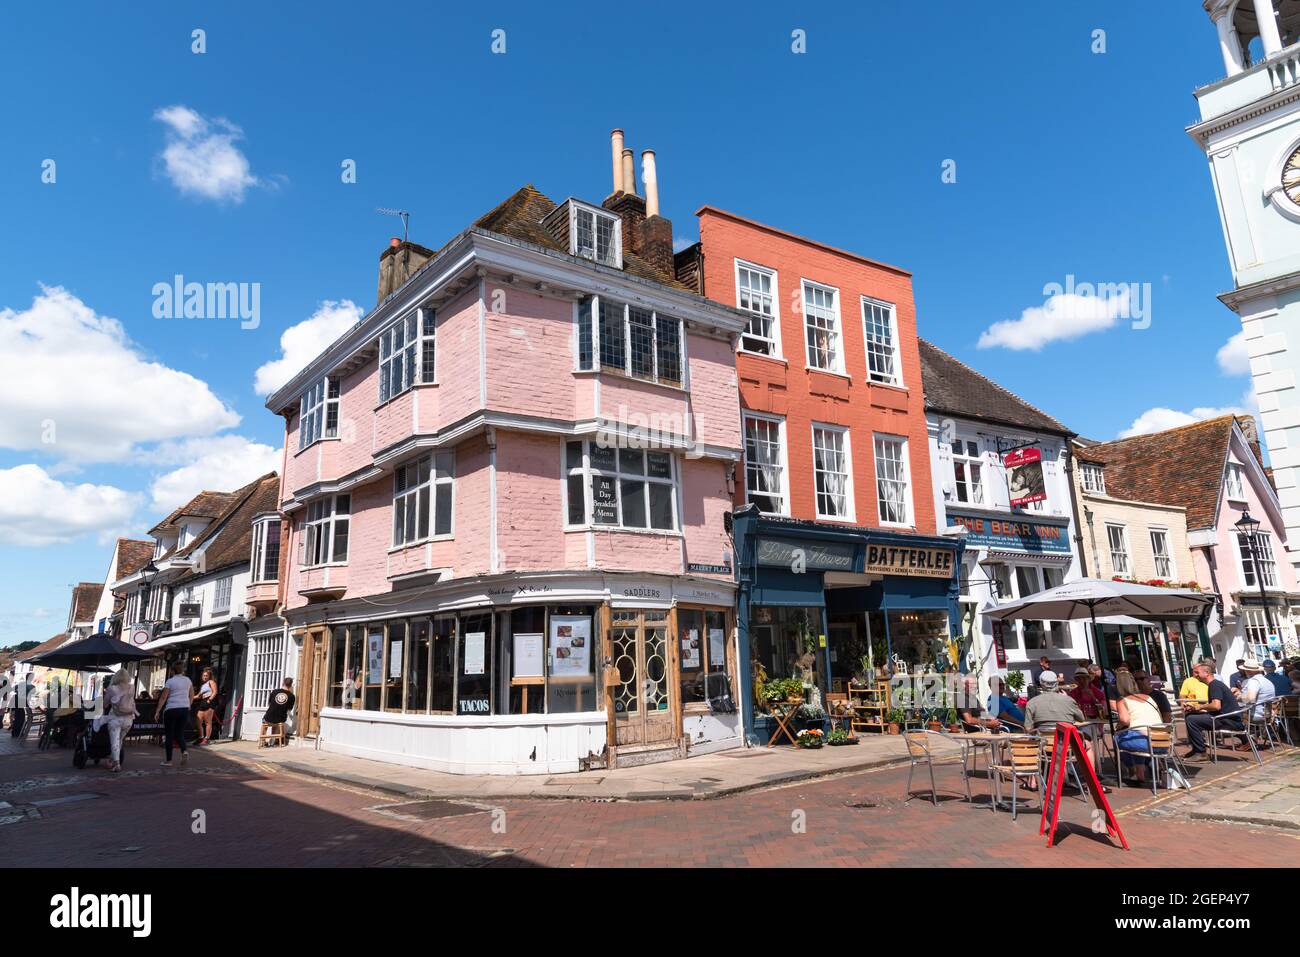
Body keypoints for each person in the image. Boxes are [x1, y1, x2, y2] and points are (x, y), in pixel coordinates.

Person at [1023, 670, 1098, 769]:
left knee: (1030, 744)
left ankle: (1033, 781)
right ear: (1056, 682)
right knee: (1088, 746)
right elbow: (1081, 718)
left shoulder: (1032, 703)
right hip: (1068, 746)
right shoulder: (1068, 700)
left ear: (1041, 683)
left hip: (1044, 747)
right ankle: (1090, 781)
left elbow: (1027, 728)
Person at [1182, 662, 1244, 761]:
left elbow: (1216, 706)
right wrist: (1195, 708)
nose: (1195, 675)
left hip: (1228, 721)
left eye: (1198, 673)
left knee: (1191, 719)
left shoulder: (1214, 685)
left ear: (1206, 673)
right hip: (1225, 717)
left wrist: (1200, 707)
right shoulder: (1214, 684)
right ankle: (1196, 749)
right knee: (1191, 715)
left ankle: (1201, 752)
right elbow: (1214, 706)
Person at [1114, 670, 1166, 785]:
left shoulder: (1122, 700)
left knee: (1118, 738)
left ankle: (1134, 772)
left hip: (1146, 744)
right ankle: (1142, 772)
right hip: (1164, 741)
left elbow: (1124, 720)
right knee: (1135, 734)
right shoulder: (1148, 697)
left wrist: (1119, 726)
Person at [154, 663, 194, 767]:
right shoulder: (188, 680)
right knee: (180, 733)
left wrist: (158, 710)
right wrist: (188, 705)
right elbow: (191, 695)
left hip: (171, 709)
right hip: (184, 708)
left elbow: (163, 697)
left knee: (169, 735)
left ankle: (169, 761)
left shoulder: (170, 681)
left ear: (173, 671)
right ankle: (184, 751)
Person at [97, 669, 136, 772]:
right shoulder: (131, 687)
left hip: (115, 718)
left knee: (115, 742)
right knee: (120, 740)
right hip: (129, 719)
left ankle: (116, 764)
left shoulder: (111, 689)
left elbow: (105, 704)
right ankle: (112, 759)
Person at [1237, 658, 1276, 747]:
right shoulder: (1267, 681)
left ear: (1248, 671)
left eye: (1245, 670)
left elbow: (1251, 698)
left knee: (1229, 718)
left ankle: (1247, 742)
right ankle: (1251, 738)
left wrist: (1238, 697)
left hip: (1256, 716)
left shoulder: (1254, 681)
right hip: (1268, 715)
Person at [194, 668, 218, 745]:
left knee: (208, 722)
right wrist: (189, 697)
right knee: (198, 720)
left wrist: (210, 700)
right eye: (204, 675)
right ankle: (201, 737)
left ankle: (207, 738)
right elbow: (198, 696)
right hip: (203, 701)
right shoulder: (203, 685)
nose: (205, 677)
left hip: (209, 701)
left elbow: (215, 692)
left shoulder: (211, 682)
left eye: (206, 676)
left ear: (209, 676)